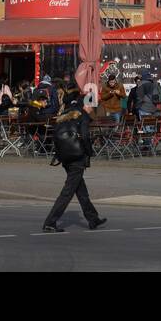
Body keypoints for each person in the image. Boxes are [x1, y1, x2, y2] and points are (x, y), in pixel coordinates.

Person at [43, 85, 106, 232]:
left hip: (65, 157)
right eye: (91, 107)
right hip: (77, 157)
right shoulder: (82, 116)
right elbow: (84, 137)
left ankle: (93, 218)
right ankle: (50, 222)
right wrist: (89, 152)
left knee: (80, 190)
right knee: (68, 192)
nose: (92, 110)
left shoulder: (68, 113)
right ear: (86, 104)